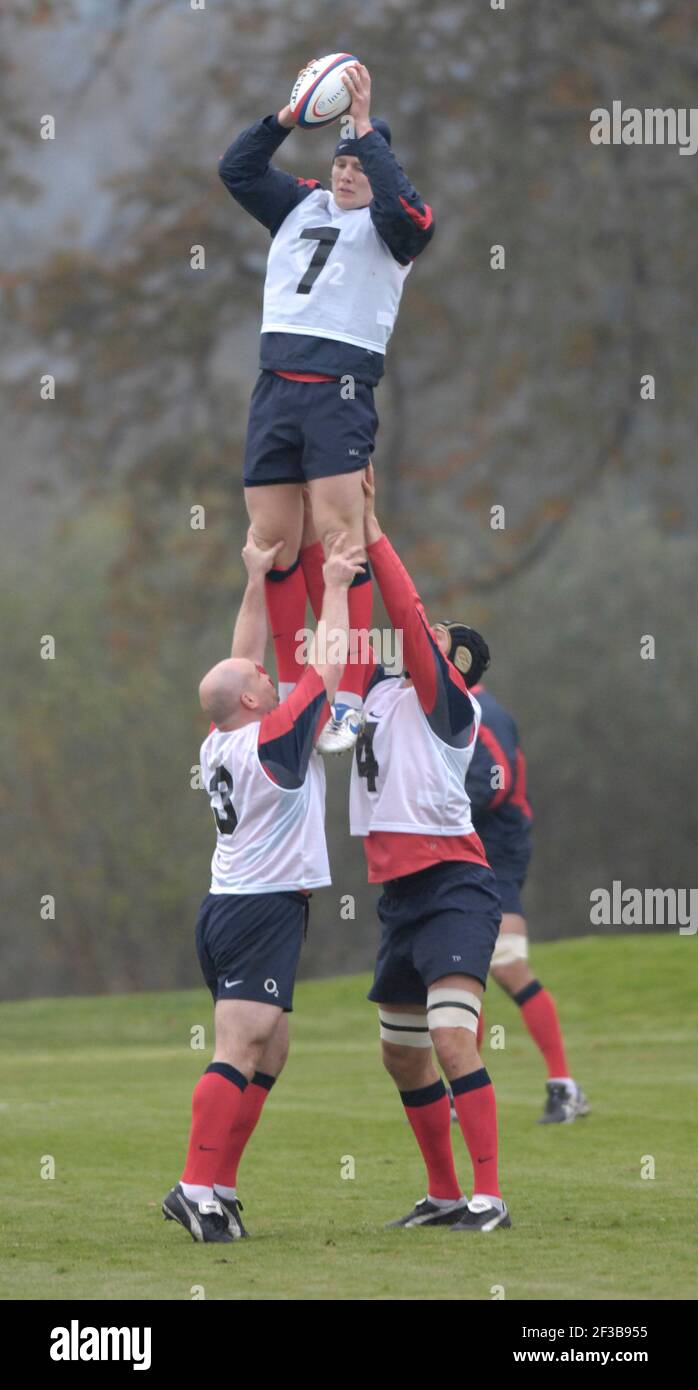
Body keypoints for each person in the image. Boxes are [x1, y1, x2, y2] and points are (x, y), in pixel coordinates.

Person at [219, 60, 434, 753]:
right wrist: (290, 115)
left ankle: (348, 698)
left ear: (378, 169)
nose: (345, 173)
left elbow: (409, 211)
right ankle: (292, 691)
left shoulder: (392, 227)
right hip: (275, 386)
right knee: (273, 545)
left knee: (344, 543)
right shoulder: (298, 202)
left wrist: (368, 128)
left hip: (339, 392)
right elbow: (235, 170)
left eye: (359, 163)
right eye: (340, 161)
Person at [162, 529, 363, 1243]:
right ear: (251, 699)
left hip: (239, 908)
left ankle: (219, 1182)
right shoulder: (273, 739)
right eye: (260, 679)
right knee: (240, 1046)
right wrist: (335, 586)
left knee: (270, 1050)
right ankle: (194, 1188)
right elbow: (330, 668)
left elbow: (239, 659)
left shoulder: (221, 738)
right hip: (257, 911)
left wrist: (255, 579)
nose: (268, 674)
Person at [334, 466, 509, 1232]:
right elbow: (352, 621)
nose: (425, 634)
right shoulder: (374, 692)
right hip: (399, 896)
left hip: (455, 884)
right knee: (402, 1055)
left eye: (440, 638)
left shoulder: (447, 702)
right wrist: (335, 552)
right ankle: (443, 1195)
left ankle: (489, 1197)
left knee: (449, 1036)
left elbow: (401, 608)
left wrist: (372, 525)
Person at [465, 686, 590, 1124]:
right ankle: (463, 1094)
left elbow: (496, 780)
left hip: (496, 847)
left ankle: (565, 1086)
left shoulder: (482, 708)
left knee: (506, 963)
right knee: (462, 967)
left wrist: (446, 806)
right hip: (464, 847)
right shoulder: (441, 701)